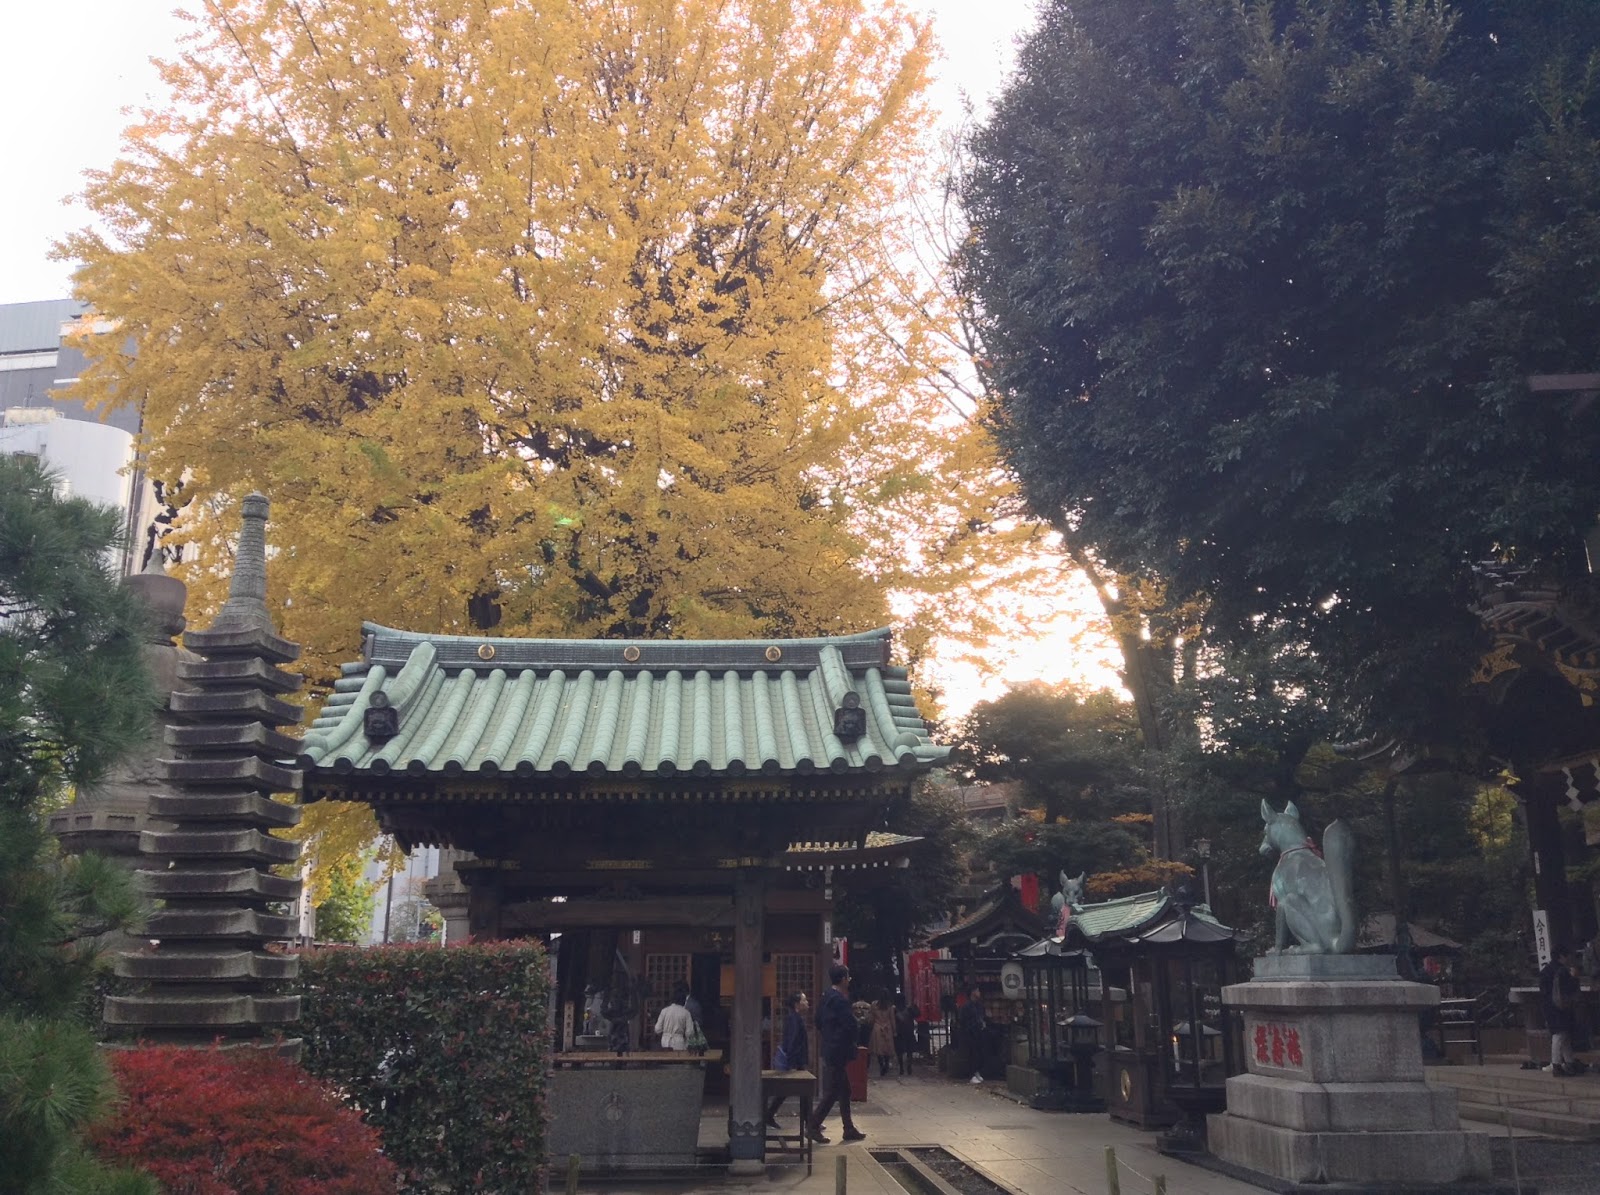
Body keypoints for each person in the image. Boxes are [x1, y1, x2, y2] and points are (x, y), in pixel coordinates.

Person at [808, 964, 866, 1144]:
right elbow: (850, 1025)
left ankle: (848, 1128)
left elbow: (817, 1020)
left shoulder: (826, 997)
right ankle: (813, 1125)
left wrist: (829, 1034)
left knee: (844, 1089)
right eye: (848, 977)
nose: (849, 980)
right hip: (838, 1050)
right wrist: (850, 1035)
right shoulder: (840, 1000)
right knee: (833, 1091)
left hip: (829, 1047)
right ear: (842, 979)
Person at [765, 991, 810, 1128]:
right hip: (795, 1061)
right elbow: (792, 1041)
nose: (807, 1003)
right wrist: (792, 1063)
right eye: (804, 1000)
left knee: (792, 1091)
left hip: (796, 1060)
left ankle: (810, 1121)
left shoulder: (795, 1018)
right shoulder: (794, 1019)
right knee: (801, 1090)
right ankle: (810, 1122)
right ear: (797, 1004)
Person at [1541, 946, 1583, 1076]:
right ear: (1561, 956)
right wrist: (1575, 977)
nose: (1569, 958)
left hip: (1549, 1007)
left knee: (1563, 1035)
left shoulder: (1545, 971)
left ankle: (1568, 1062)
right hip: (1562, 1008)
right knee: (1559, 1035)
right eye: (1567, 956)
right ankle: (1557, 1065)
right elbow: (1570, 988)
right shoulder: (1563, 971)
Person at [958, 986, 988, 1084]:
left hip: (979, 1033)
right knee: (972, 1054)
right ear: (972, 993)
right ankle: (972, 1074)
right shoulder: (966, 1006)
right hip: (970, 1033)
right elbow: (963, 1021)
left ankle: (977, 1072)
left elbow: (982, 1016)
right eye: (977, 991)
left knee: (980, 1054)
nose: (979, 992)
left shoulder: (979, 1005)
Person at [869, 996, 896, 1077]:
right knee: (887, 1048)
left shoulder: (874, 1004)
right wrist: (894, 1031)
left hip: (877, 1027)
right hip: (887, 1028)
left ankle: (881, 1065)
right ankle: (887, 1064)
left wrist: (870, 1024)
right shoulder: (889, 1006)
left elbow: (871, 1018)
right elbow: (892, 1019)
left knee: (878, 1049)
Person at [895, 998, 918, 1076]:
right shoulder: (909, 1009)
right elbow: (917, 1014)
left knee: (899, 1052)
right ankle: (909, 1066)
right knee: (909, 1051)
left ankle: (901, 1067)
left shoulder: (895, 1010)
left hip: (899, 1033)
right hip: (909, 1032)